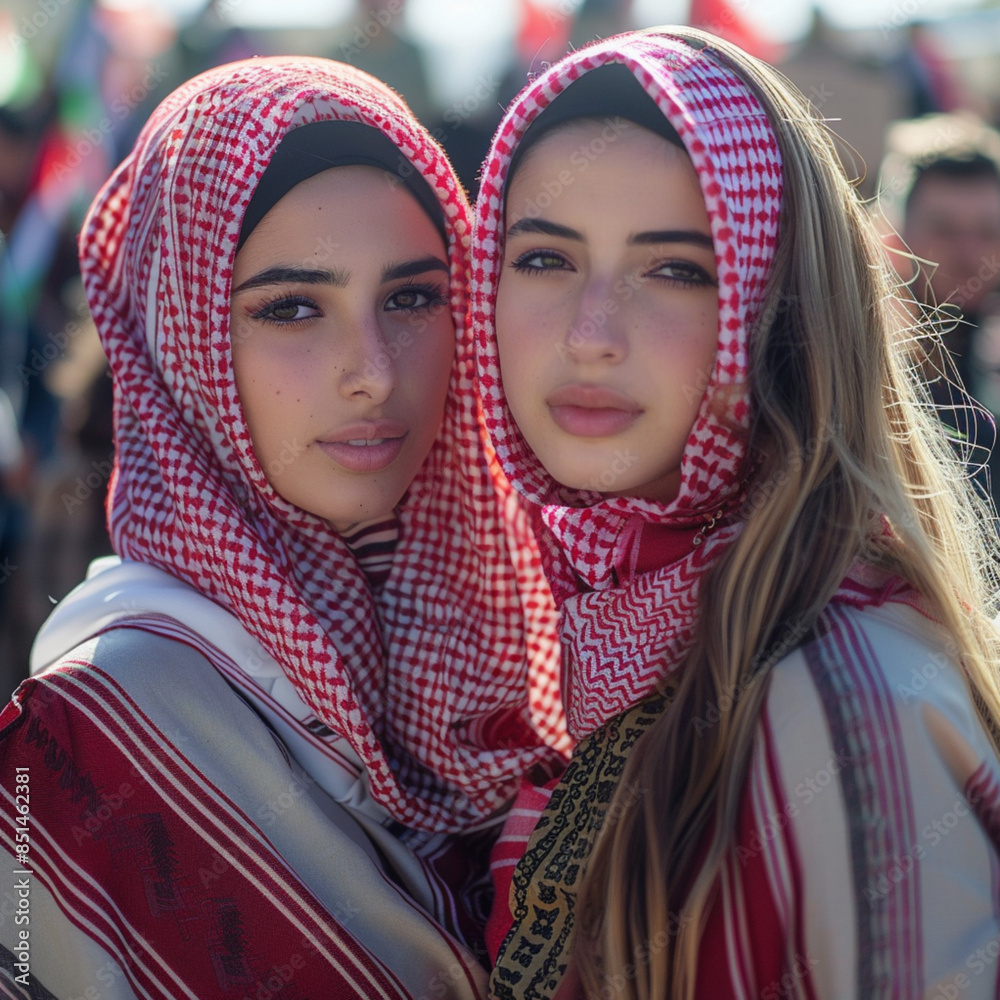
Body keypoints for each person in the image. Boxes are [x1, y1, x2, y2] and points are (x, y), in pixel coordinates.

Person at [0, 56, 568, 998]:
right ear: (184, 333)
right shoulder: (100, 731)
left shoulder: (532, 646)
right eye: (293, 308)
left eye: (413, 297)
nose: (374, 374)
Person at [471, 27, 1000, 1000]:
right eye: (543, 259)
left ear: (780, 306)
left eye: (676, 269)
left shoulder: (840, 699)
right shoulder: (576, 619)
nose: (590, 335)